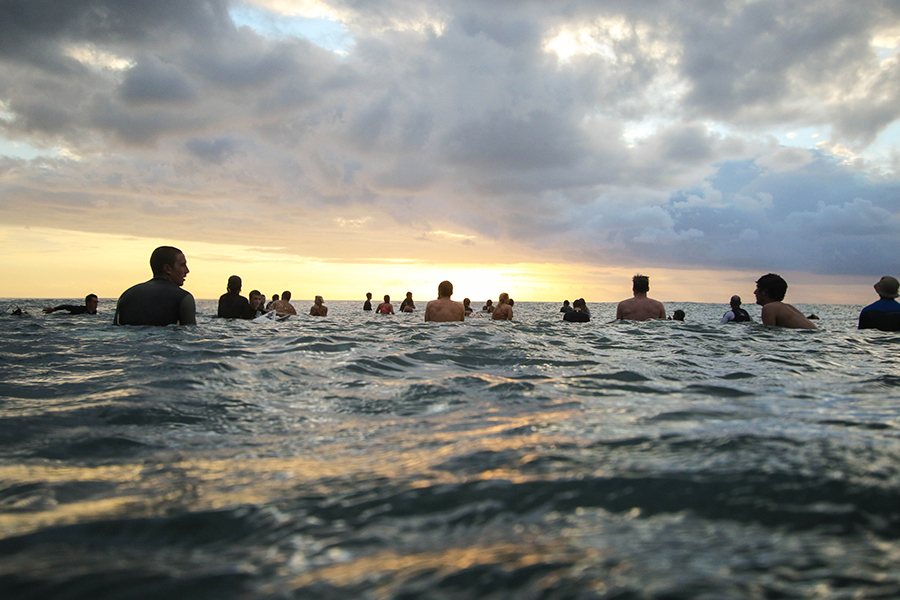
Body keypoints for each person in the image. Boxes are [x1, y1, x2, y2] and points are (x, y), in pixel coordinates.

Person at [114, 246, 196, 326]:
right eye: (182, 265)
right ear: (168, 269)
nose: (187, 270)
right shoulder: (183, 298)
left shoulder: (126, 296)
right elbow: (190, 334)